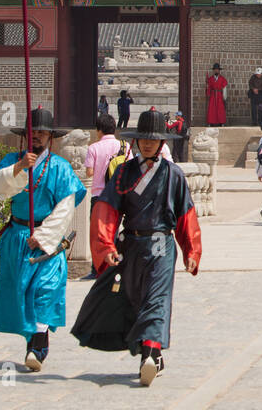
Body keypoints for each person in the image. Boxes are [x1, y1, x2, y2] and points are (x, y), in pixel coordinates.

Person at [72, 109, 202, 386]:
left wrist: (192, 250)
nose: (148, 143)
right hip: (131, 244)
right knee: (135, 299)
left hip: (161, 246)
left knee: (157, 300)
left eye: (153, 139)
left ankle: (151, 355)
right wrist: (106, 244)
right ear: (136, 141)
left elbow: (185, 215)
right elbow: (107, 210)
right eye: (143, 138)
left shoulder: (173, 174)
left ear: (162, 143)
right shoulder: (123, 173)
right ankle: (148, 351)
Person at [0, 107, 88, 371]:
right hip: (17, 237)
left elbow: (66, 205)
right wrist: (17, 169)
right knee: (23, 292)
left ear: (51, 137)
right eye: (33, 132)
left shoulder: (61, 167)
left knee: (45, 290)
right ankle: (32, 340)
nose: (37, 137)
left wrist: (44, 235)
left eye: (42, 133)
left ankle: (37, 347)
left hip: (47, 239)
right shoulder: (11, 160)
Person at [84, 113, 123, 201]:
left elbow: (89, 172)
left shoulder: (93, 148)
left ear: (100, 130)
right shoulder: (125, 146)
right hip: (118, 195)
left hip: (98, 196)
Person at [206, 62, 228, 127]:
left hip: (219, 95)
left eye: (217, 69)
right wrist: (208, 93)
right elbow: (209, 87)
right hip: (213, 95)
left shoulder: (222, 79)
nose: (216, 70)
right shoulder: (210, 79)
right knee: (212, 109)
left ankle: (221, 122)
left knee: (220, 109)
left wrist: (224, 97)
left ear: (219, 70)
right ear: (213, 70)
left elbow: (224, 88)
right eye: (215, 69)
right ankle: (211, 122)